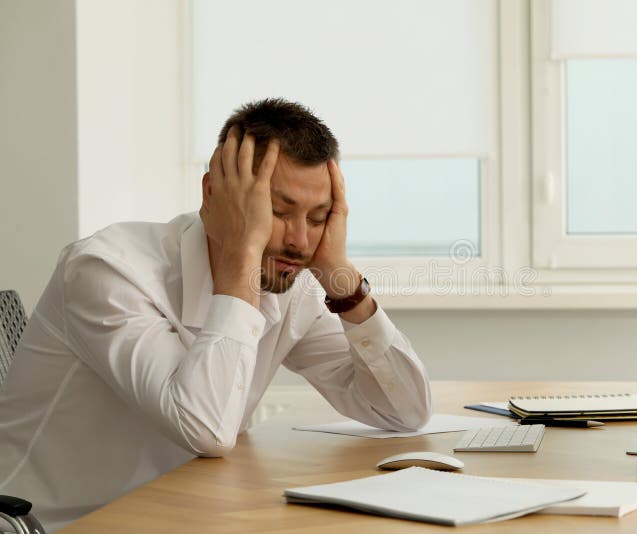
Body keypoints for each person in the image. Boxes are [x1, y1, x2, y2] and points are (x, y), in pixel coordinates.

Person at [0, 98, 432, 531]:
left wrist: (343, 282)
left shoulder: (286, 282)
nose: (300, 241)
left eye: (318, 218)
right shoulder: (106, 271)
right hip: (60, 525)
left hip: (184, 513)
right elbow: (204, 429)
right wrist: (243, 254)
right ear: (212, 194)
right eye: (278, 212)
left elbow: (405, 412)